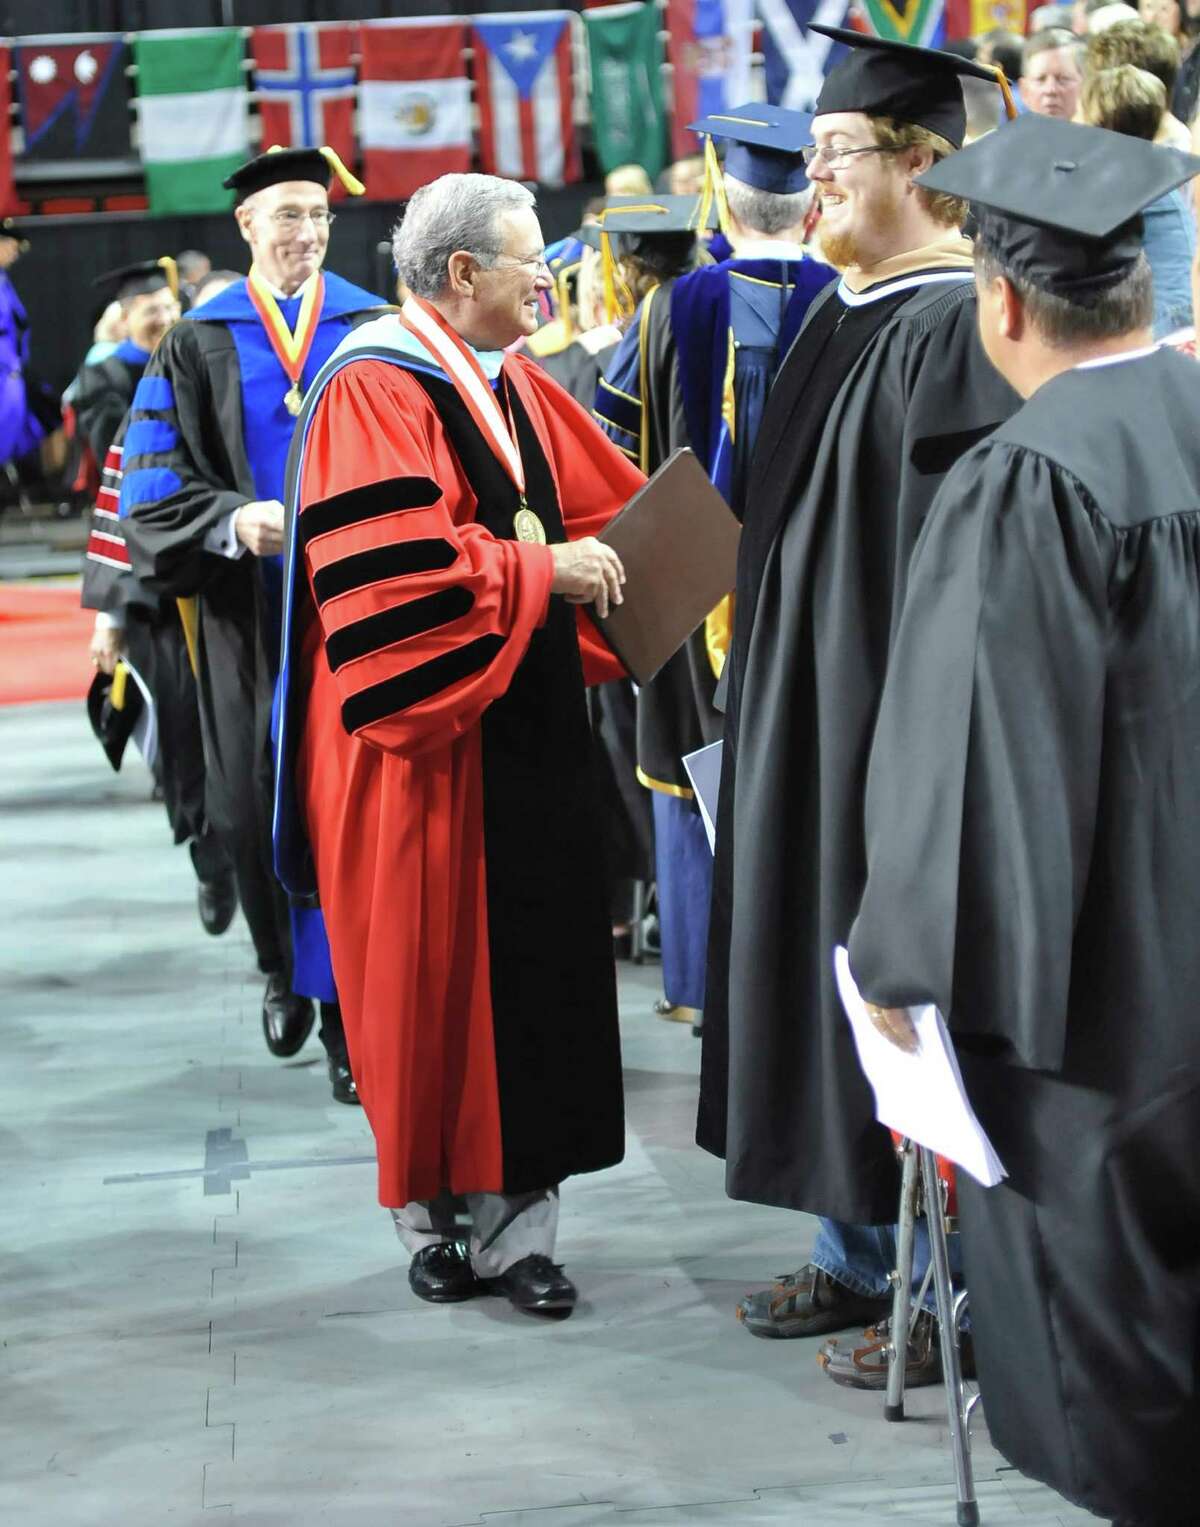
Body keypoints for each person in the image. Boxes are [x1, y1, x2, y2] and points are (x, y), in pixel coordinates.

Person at [848, 113, 1200, 1527]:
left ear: (998, 300)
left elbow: (977, 761)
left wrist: (897, 961)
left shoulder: (1029, 476)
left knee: (1132, 1362)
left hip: (1110, 1020)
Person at [697, 28, 1018, 1375]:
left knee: (902, 998)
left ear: (925, 166)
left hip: (882, 743)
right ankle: (860, 1251)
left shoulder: (955, 328)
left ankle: (953, 1292)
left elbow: (948, 586)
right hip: (808, 723)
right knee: (821, 985)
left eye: (834, 158)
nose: (809, 186)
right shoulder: (846, 308)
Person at [273, 172, 646, 1315]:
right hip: (421, 751)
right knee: (424, 988)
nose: (553, 276)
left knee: (536, 984)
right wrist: (545, 570)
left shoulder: (514, 382)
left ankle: (520, 1231)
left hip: (522, 733)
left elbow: (609, 504)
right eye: (532, 259)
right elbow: (394, 582)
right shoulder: (374, 387)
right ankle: (432, 1224)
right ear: (462, 274)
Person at [121, 147, 388, 1103]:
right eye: (286, 216)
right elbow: (151, 493)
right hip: (245, 621)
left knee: (348, 814)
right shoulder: (195, 344)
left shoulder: (372, 323)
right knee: (248, 806)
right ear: (246, 227)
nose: (306, 233)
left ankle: (348, 1017)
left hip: (356, 617)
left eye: (317, 213)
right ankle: (281, 966)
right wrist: (235, 519)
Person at [594, 110, 835, 1033]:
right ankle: (804, 976)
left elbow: (613, 454)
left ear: (722, 199)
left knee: (696, 778)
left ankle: (700, 984)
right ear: (809, 198)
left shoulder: (670, 308)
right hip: (812, 589)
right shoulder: (846, 298)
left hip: (695, 597)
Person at [78, 260, 234, 934]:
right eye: (149, 308)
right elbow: (121, 492)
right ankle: (209, 850)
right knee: (182, 728)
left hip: (244, 585)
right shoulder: (127, 383)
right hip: (162, 588)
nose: (162, 317)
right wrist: (110, 616)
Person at [1080, 64, 1196, 335]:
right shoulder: (1151, 175)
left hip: (1161, 329)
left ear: (1098, 123)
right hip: (1177, 322)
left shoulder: (1122, 185)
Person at [1019, 28, 1085, 116]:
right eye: (1040, 79)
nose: (1050, 90)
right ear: (1024, 91)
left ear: (1085, 86)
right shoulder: (1007, 130)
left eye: (1063, 79)